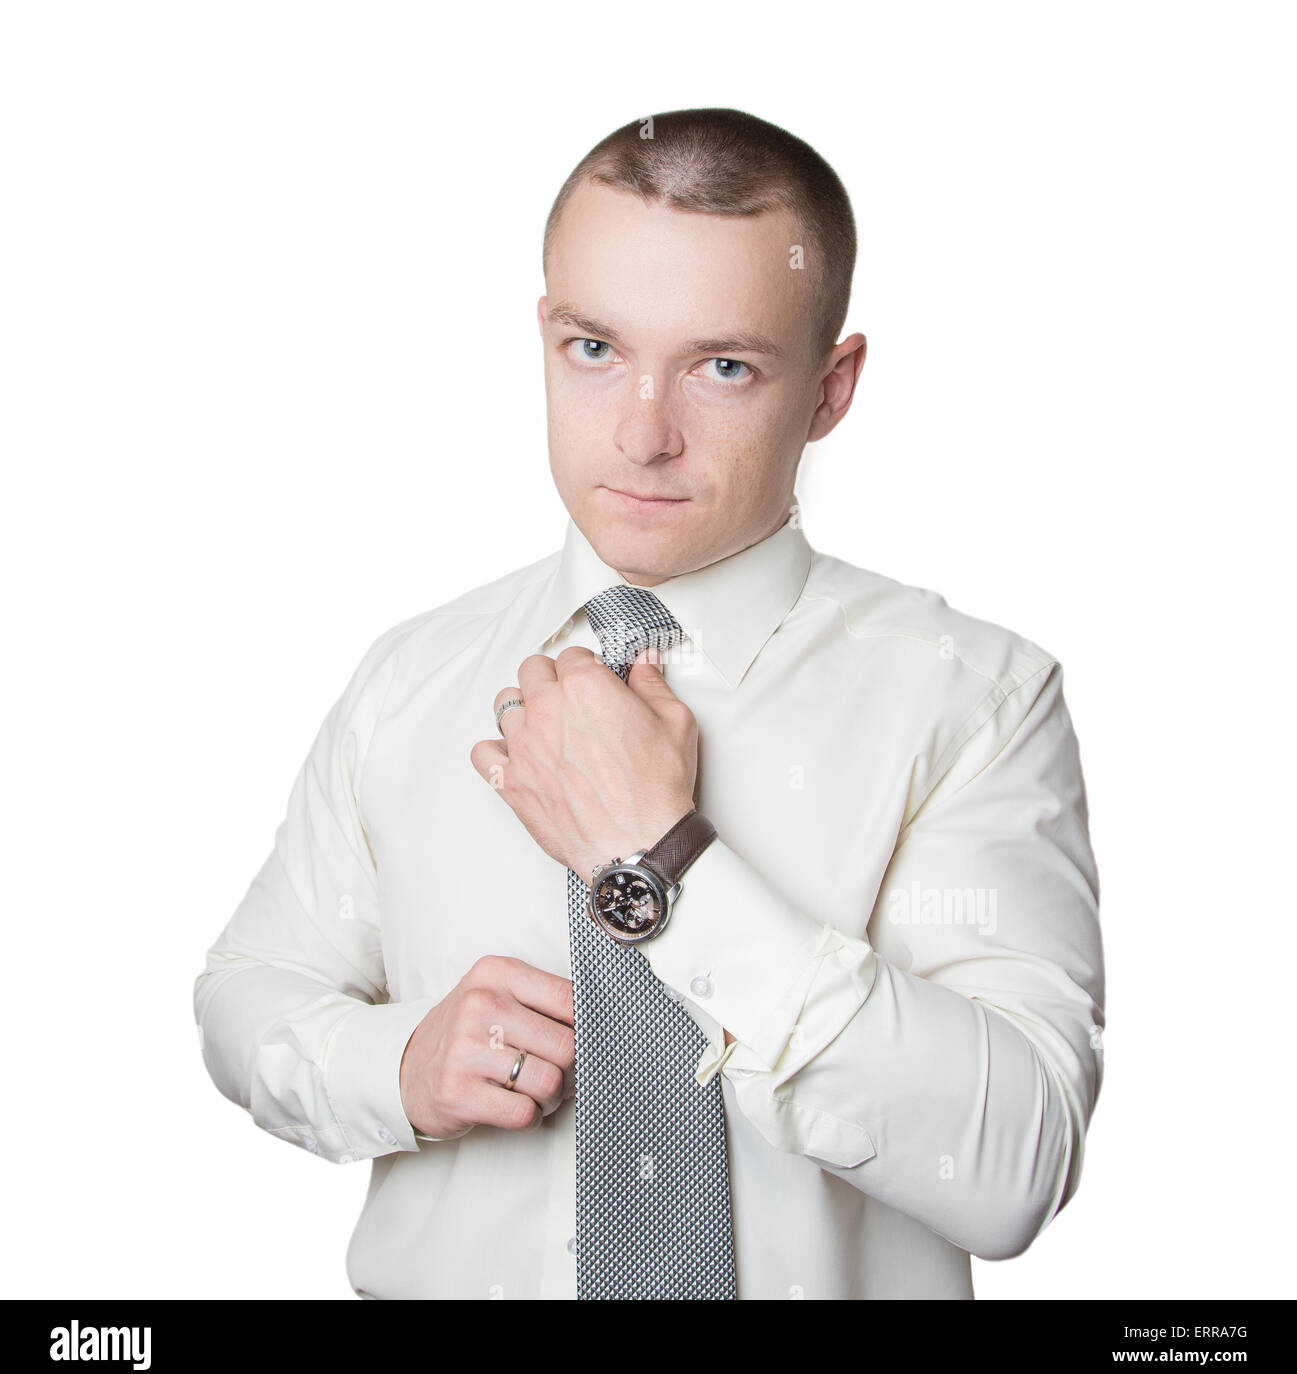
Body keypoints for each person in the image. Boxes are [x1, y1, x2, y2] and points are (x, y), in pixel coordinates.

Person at [194, 107, 1104, 1300]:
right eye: (593, 349)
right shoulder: (409, 677)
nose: (640, 432)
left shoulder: (973, 700)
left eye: (722, 365)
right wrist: (395, 1064)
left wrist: (660, 864)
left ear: (829, 390)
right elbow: (249, 990)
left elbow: (1013, 1162)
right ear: (543, 337)